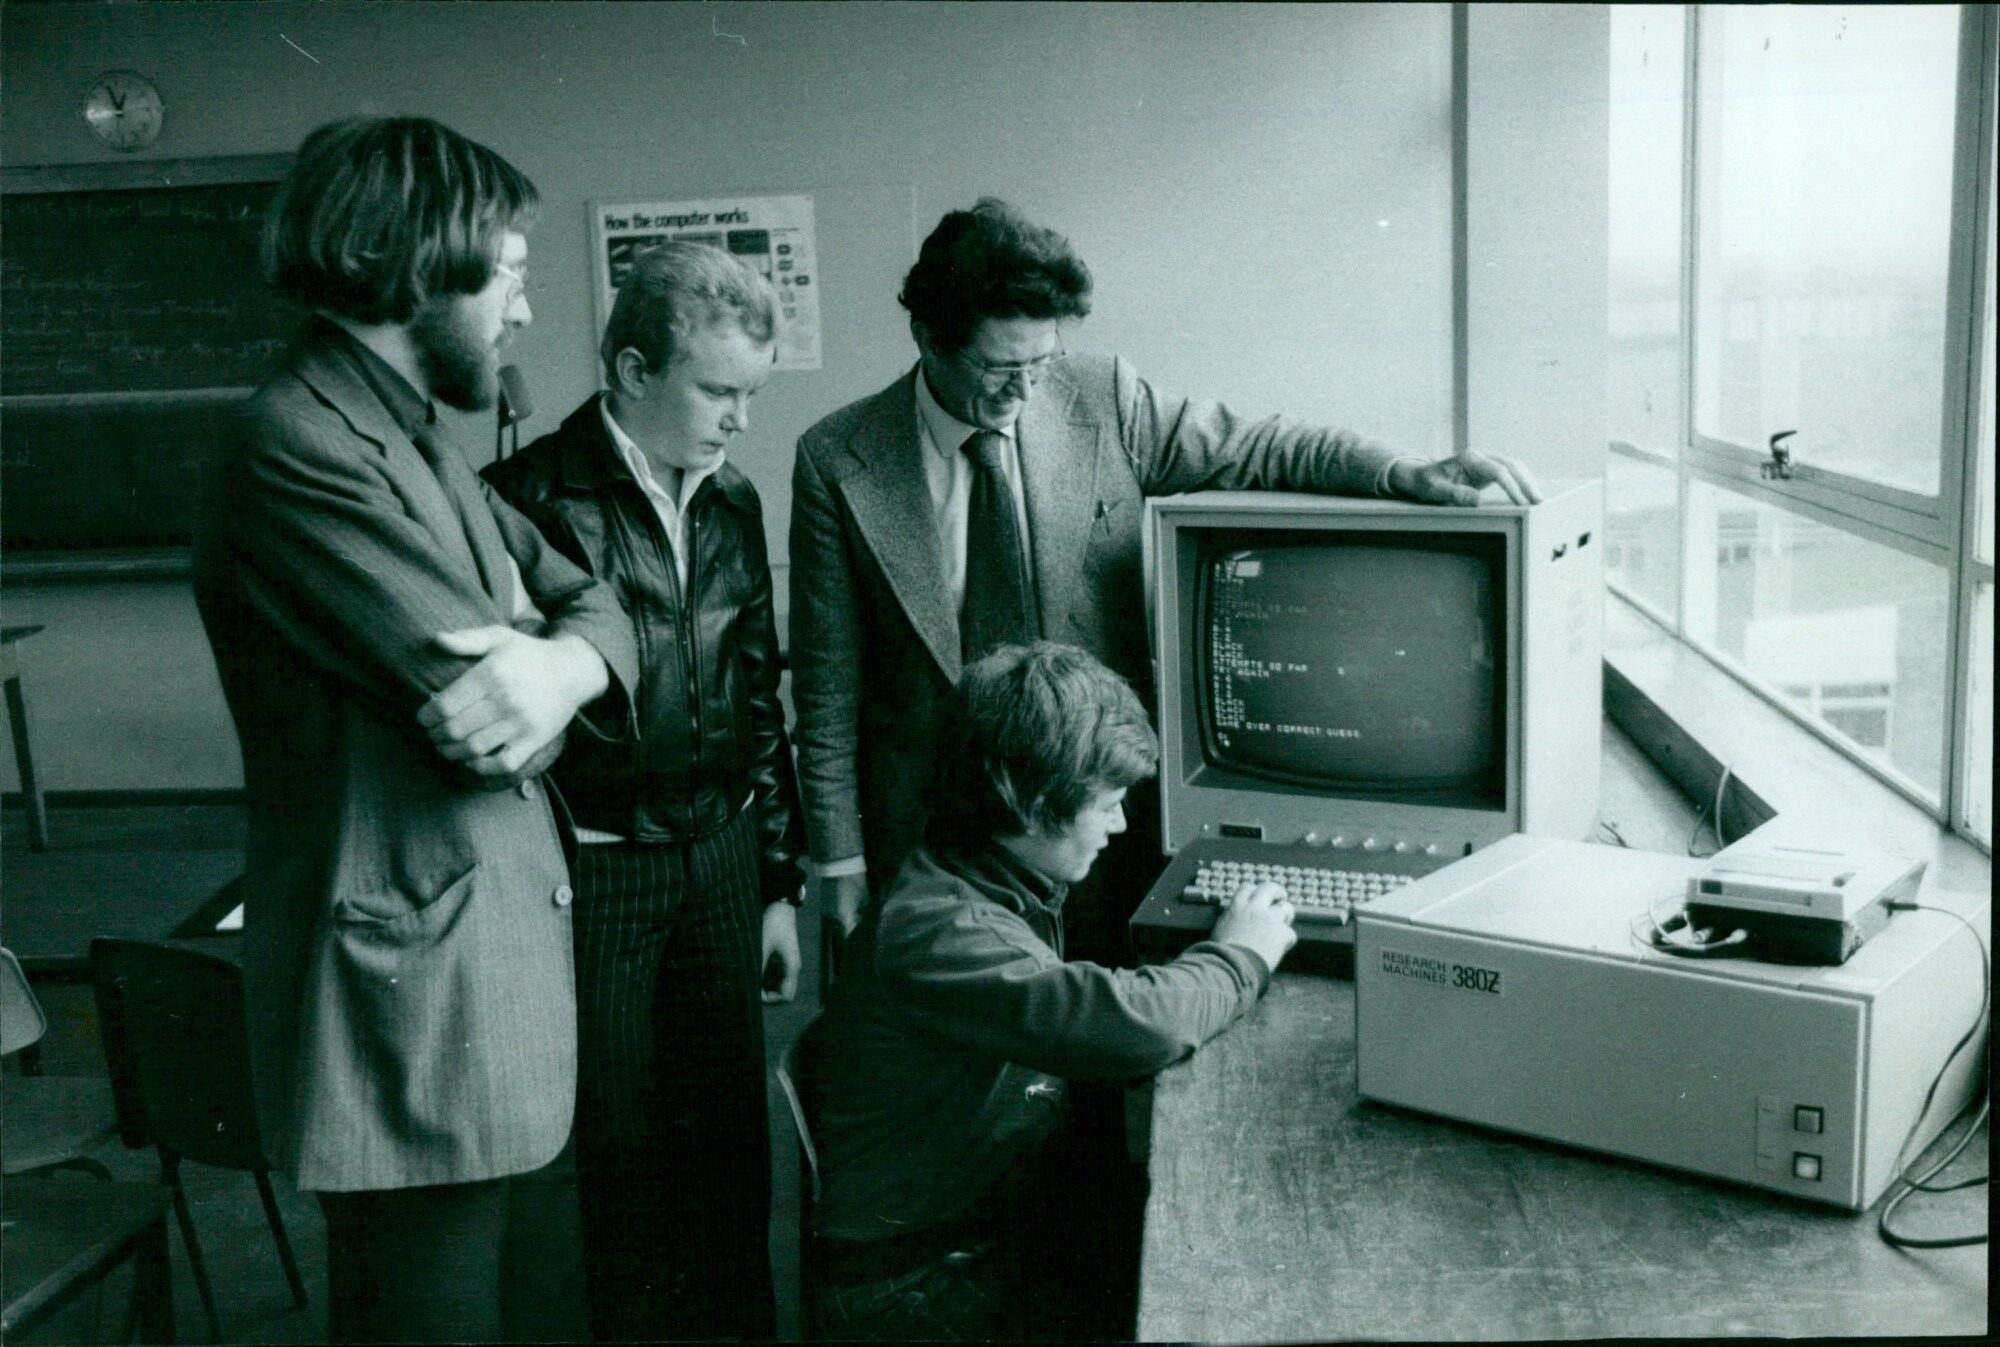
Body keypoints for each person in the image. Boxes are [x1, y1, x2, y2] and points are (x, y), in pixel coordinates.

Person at [789, 197, 1541, 971]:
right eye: (1000, 369)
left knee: (1103, 1036)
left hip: (1097, 825)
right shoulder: (837, 456)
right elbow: (826, 688)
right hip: (932, 832)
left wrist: (1400, 469)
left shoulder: (1102, 395)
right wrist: (838, 863)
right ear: (928, 339)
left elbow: (1261, 447)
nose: (1024, 392)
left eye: (1040, 365)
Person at [193, 116, 639, 1345]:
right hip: (410, 1012)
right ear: (416, 261)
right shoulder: (298, 443)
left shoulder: (409, 433)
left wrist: (558, 661)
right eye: (508, 273)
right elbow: (495, 738)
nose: (525, 313)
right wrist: (548, 670)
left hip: (482, 991)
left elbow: (601, 600)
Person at [482, 240, 804, 1341]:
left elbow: (760, 695)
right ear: (629, 369)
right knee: (614, 1165)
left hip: (718, 859)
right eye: (718, 391)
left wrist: (775, 884)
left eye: (750, 395)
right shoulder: (521, 501)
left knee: (729, 1151)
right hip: (594, 874)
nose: (737, 420)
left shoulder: (733, 502)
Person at [797, 641, 1299, 1341]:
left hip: (968, 1227)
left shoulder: (980, 872)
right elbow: (1136, 1023)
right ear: (1033, 806)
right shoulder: (941, 930)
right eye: (1108, 805)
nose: (1120, 826)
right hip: (911, 1284)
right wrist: (1240, 952)